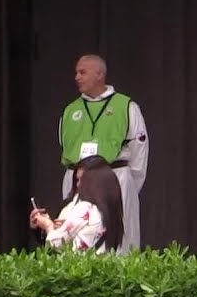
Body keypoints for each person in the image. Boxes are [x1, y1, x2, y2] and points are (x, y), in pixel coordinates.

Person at [57, 54, 148, 253]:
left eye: (82, 72)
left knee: (121, 240)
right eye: (76, 72)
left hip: (115, 178)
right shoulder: (70, 111)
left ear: (99, 74)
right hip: (77, 180)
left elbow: (139, 152)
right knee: (73, 234)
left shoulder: (126, 107)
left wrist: (129, 187)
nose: (76, 77)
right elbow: (64, 147)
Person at [30, 155, 125, 253]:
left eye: (82, 180)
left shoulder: (85, 208)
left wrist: (48, 225)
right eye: (77, 180)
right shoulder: (110, 213)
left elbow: (55, 243)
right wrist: (64, 227)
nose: (78, 184)